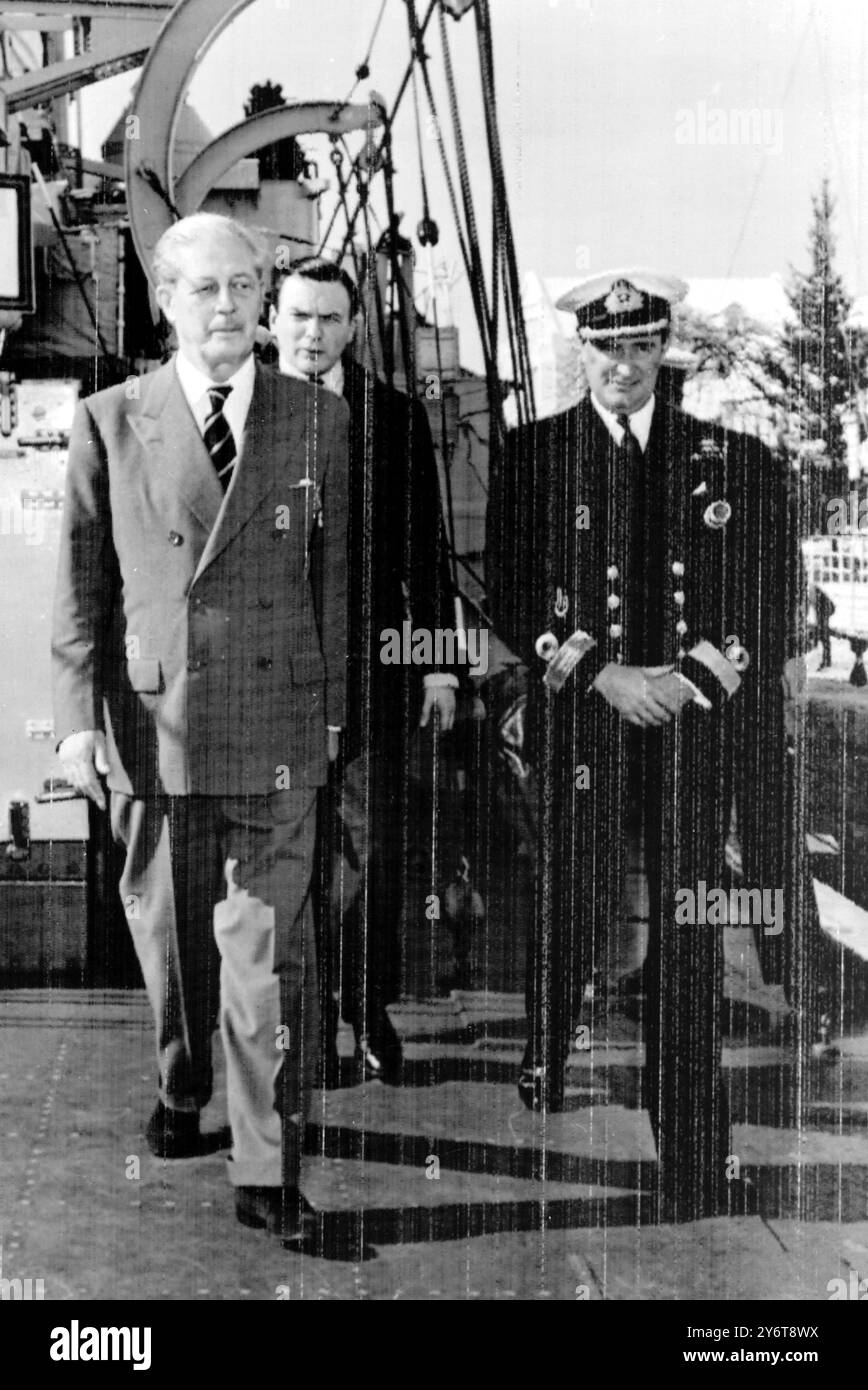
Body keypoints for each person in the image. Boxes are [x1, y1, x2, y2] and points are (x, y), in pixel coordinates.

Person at [51, 212, 348, 1250]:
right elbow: (82, 587)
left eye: (242, 287)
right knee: (173, 943)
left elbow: (335, 582)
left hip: (276, 723)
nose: (226, 308)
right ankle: (183, 1083)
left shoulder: (318, 419)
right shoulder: (109, 420)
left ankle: (264, 1165)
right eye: (204, 289)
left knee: (267, 959)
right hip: (156, 721)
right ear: (166, 301)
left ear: (264, 299)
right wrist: (75, 724)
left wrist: (332, 716)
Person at [487, 268, 800, 1222]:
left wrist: (691, 679)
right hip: (584, 723)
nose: (621, 366)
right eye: (603, 346)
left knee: (689, 927)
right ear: (578, 349)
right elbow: (511, 590)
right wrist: (603, 677)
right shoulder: (534, 456)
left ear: (664, 349)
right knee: (572, 898)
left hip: (693, 734)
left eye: (639, 346)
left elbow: (765, 587)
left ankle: (694, 1143)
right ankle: (548, 1039)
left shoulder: (733, 459)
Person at [269, 257, 456, 1084]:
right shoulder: (237, 408)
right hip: (263, 678)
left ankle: (366, 1005)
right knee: (276, 855)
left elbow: (427, 554)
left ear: (353, 325)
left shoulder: (394, 417)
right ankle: (292, 1024)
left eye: (330, 320)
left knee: (370, 850)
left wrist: (441, 669)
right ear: (276, 319)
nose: (313, 335)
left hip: (372, 677)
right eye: (300, 317)